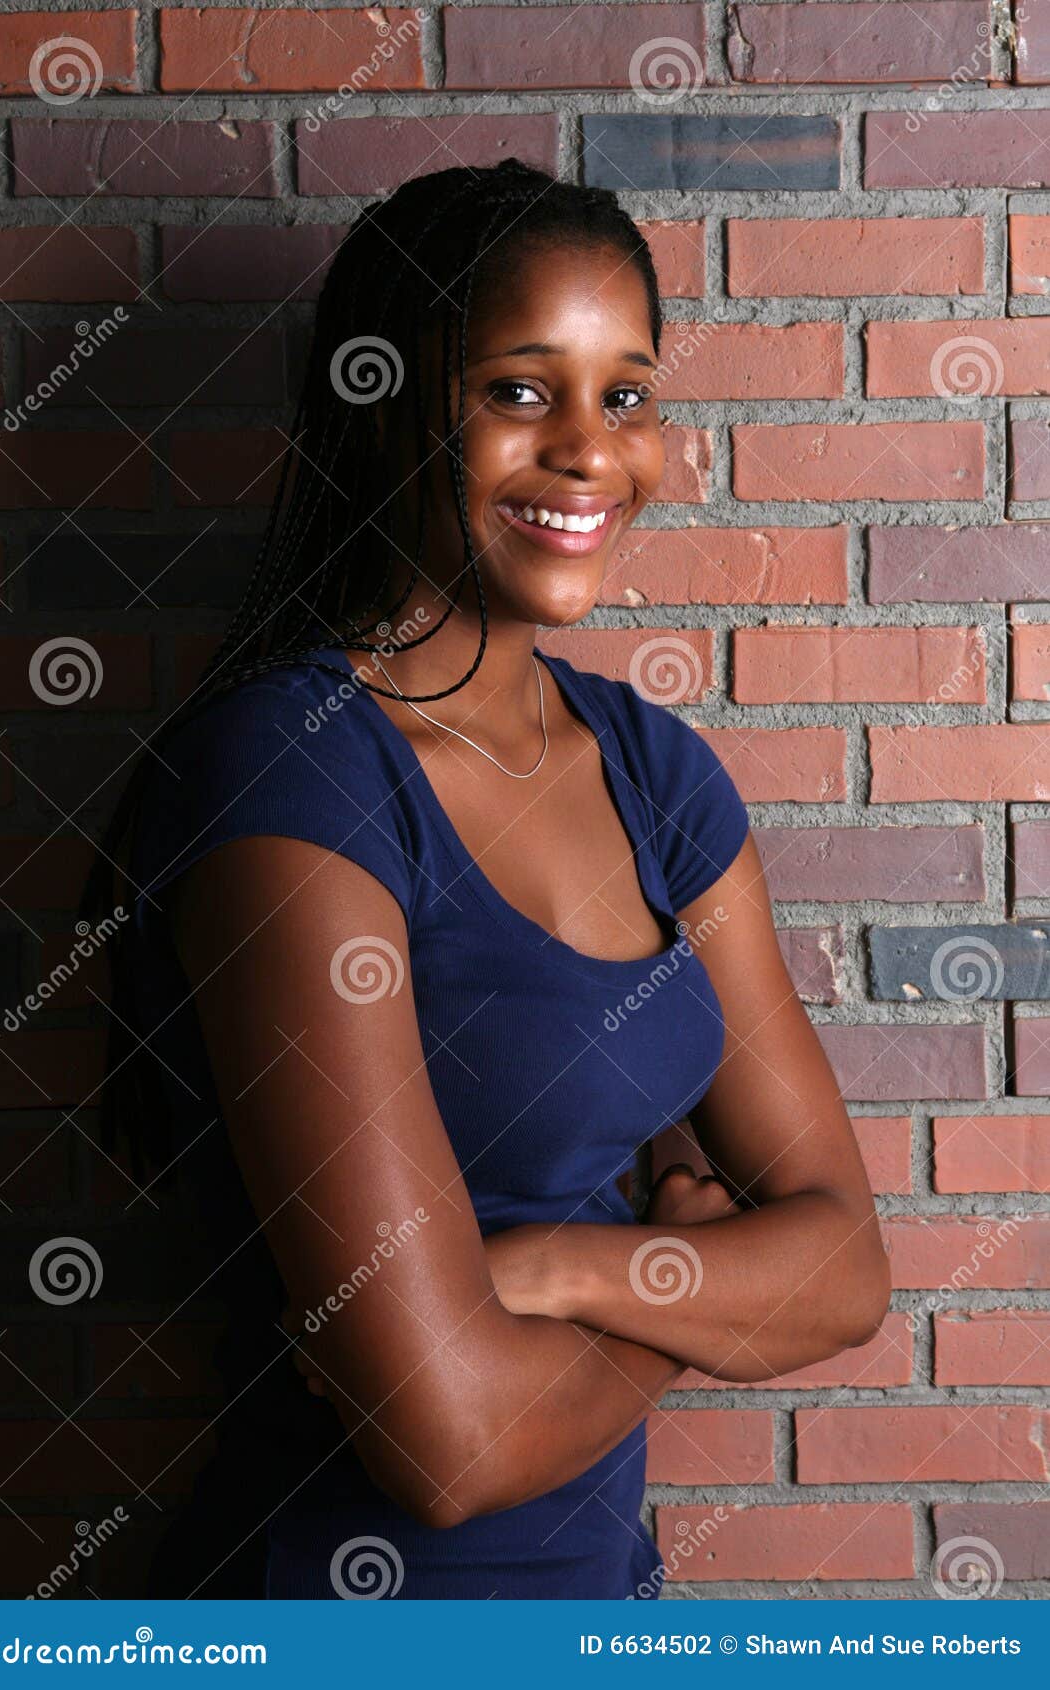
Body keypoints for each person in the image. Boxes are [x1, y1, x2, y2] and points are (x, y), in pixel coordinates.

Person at [80, 157, 891, 1600]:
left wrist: (572, 1272)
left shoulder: (655, 774)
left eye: (626, 394)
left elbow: (847, 1268)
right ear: (390, 405)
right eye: (522, 391)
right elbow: (439, 1437)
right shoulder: (295, 773)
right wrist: (676, 1278)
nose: (590, 449)